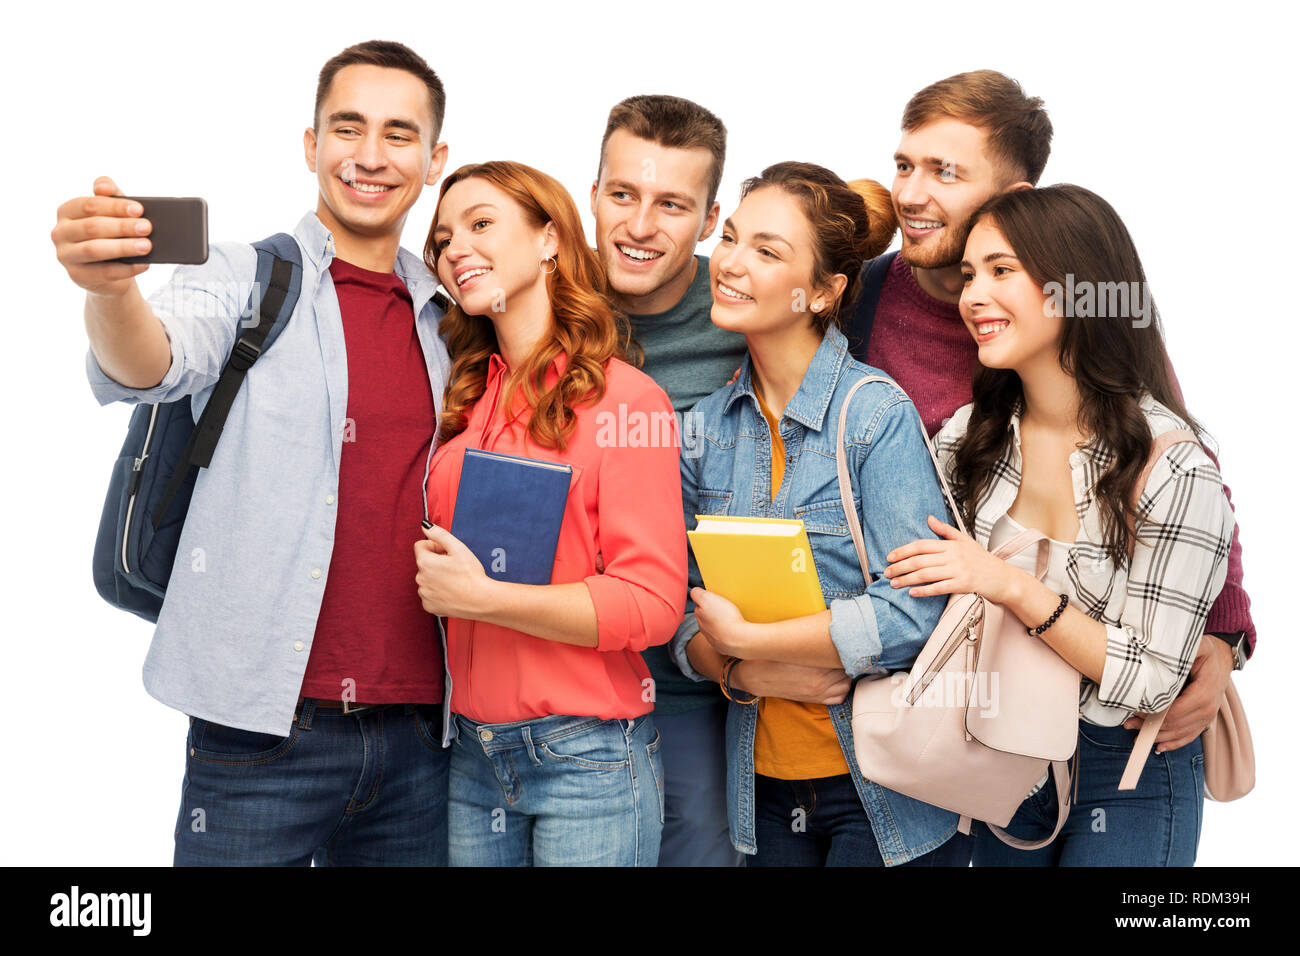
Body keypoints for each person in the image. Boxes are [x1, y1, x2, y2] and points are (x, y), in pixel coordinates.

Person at [52, 40, 453, 866]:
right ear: (311, 146)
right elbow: (151, 361)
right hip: (259, 734)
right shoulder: (243, 274)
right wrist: (111, 290)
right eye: (348, 128)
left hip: (428, 739)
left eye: (399, 134)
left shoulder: (456, 315)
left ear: (434, 159)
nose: (370, 156)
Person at [848, 70, 1254, 756]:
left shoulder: (1083, 313)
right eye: (905, 165)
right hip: (951, 690)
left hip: (1102, 690)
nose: (912, 194)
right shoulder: (860, 299)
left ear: (1014, 198)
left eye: (945, 172)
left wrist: (1221, 635)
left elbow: (1179, 473)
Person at [885, 184, 1234, 865]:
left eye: (1000, 271)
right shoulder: (965, 440)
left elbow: (1154, 679)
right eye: (969, 275)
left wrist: (1011, 587)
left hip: (1130, 764)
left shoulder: (1175, 468)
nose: (973, 296)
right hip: (996, 747)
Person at [672, 162, 971, 866]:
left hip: (880, 791)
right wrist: (742, 671)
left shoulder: (874, 414)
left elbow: (915, 615)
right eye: (735, 239)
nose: (733, 264)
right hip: (763, 792)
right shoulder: (703, 430)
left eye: (767, 252)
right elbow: (679, 615)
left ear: (822, 292)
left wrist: (755, 639)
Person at [417, 160, 687, 866]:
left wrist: (487, 600)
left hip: (588, 756)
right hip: (473, 754)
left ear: (548, 240)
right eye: (444, 238)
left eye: (481, 225)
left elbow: (653, 604)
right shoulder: (461, 397)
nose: (457, 249)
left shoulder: (628, 403)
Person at [589, 94, 749, 866]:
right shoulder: (539, 300)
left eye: (672, 204)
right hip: (549, 680)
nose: (641, 225)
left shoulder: (748, 312)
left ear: (712, 217)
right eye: (623, 194)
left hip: (694, 684)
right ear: (593, 193)